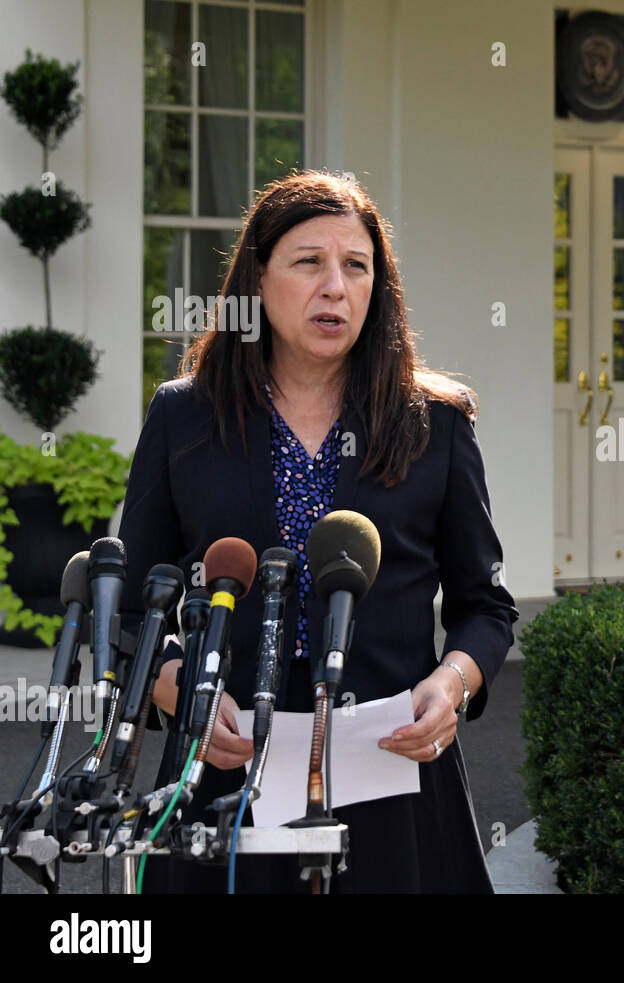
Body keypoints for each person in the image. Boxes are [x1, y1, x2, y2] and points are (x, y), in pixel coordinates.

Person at [119, 171, 518, 893]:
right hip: (225, 775)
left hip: (395, 775)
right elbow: (130, 611)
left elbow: (484, 605)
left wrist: (452, 684)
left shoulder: (437, 425)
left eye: (356, 266)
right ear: (258, 278)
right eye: (309, 262)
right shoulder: (184, 418)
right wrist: (179, 691)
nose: (335, 286)